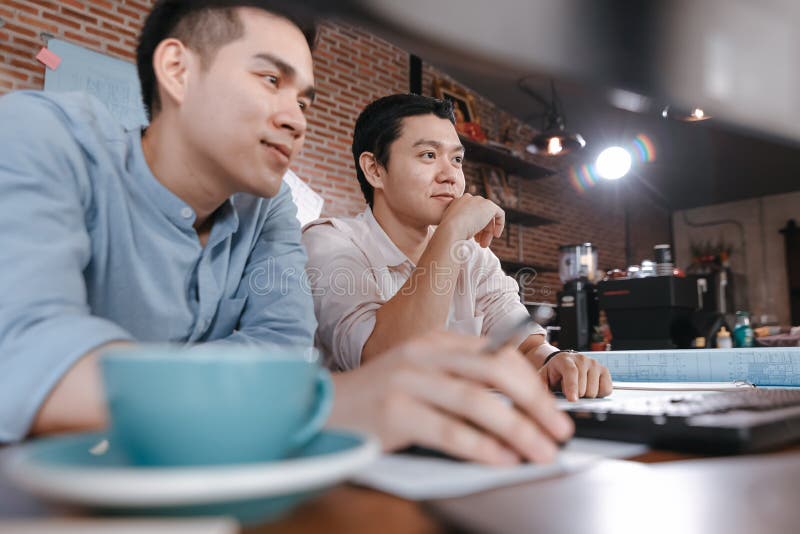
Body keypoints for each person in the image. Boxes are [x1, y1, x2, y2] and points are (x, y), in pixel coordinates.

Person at [0, 0, 573, 465]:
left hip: (210, 479)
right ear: (178, 70)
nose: (296, 118)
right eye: (269, 79)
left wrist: (102, 376)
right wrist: (324, 405)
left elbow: (280, 355)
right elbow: (25, 355)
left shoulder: (267, 207)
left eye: (303, 98)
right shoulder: (43, 135)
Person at [303, 94, 612, 401]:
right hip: (367, 442)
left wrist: (554, 359)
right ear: (374, 170)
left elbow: (523, 344)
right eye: (428, 155)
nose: (451, 175)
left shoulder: (472, 254)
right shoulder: (328, 243)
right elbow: (388, 362)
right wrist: (450, 234)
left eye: (457, 159)